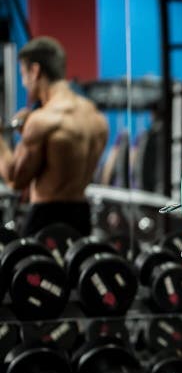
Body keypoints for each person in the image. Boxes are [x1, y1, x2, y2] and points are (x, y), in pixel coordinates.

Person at [0, 36, 108, 236]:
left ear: (35, 71)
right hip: (81, 219)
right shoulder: (95, 117)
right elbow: (62, 158)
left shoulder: (42, 121)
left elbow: (15, 179)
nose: (24, 83)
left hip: (45, 220)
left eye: (23, 75)